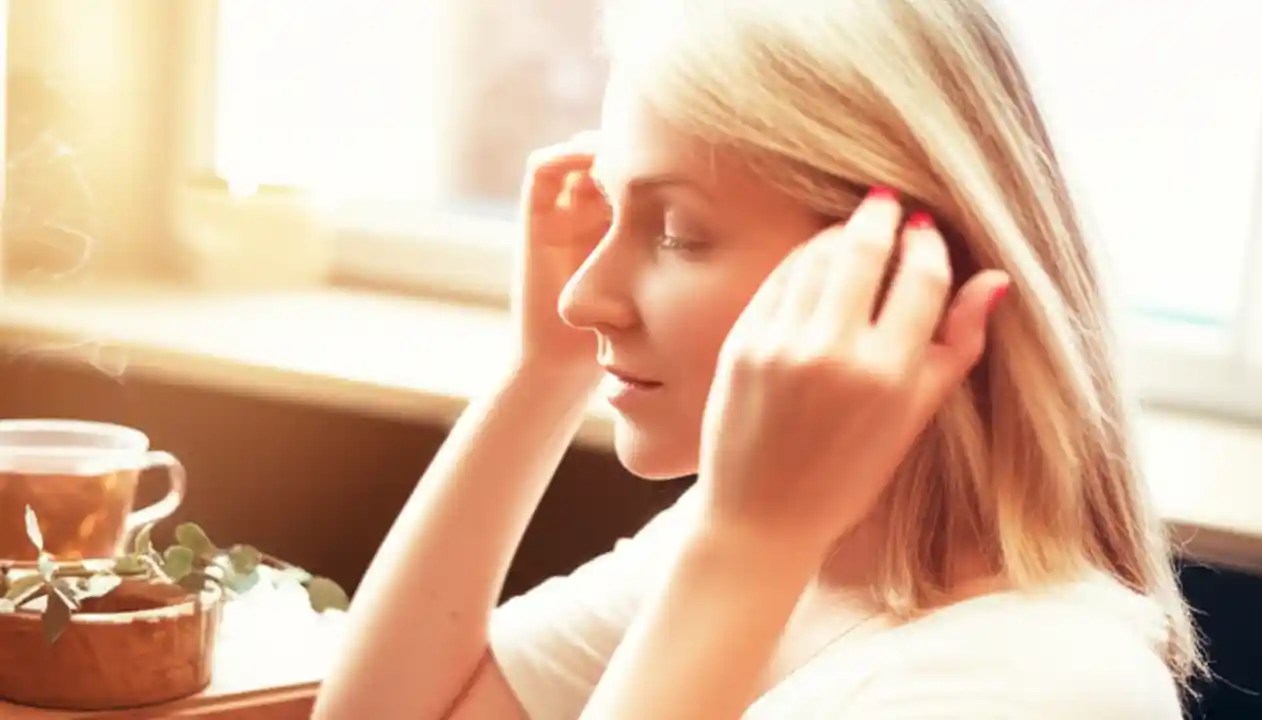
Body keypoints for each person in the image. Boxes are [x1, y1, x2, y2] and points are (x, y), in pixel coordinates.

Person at [314, 0, 1204, 717]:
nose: (582, 297)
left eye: (676, 231)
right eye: (613, 209)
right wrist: (540, 373)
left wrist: (748, 546)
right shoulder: (780, 555)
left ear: (898, 268)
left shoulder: (1044, 686)